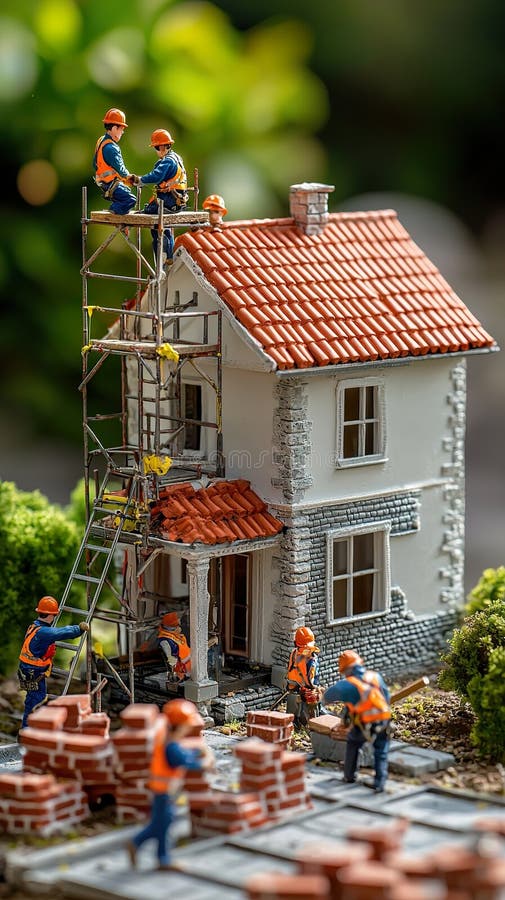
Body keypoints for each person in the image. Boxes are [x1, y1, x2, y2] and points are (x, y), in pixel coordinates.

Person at [127, 699, 214, 870]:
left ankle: (160, 857)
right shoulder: (171, 747)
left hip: (162, 790)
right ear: (180, 726)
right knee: (162, 824)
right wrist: (207, 759)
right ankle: (139, 844)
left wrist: (196, 751)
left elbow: (182, 754)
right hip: (164, 792)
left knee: (162, 823)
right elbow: (188, 763)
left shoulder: (166, 737)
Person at [324, 650, 391, 793]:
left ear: (345, 670)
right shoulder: (375, 677)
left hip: (365, 723)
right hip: (384, 719)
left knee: (353, 743)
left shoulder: (346, 685)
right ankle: (380, 783)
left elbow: (327, 697)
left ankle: (349, 776)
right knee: (381, 751)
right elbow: (386, 697)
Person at [18, 596, 89, 728]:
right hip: (33, 672)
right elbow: (62, 632)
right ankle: (28, 734)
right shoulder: (44, 632)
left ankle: (26, 732)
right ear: (51, 615)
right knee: (36, 703)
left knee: (32, 701)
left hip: (26, 670)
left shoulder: (34, 626)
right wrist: (79, 628)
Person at [133, 128, 188, 266]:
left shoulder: (167, 161)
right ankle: (168, 255)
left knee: (152, 219)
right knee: (165, 227)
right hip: (178, 202)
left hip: (168, 200)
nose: (156, 151)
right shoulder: (177, 158)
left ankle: (161, 259)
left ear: (163, 147)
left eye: (156, 147)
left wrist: (140, 180)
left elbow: (156, 175)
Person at [93, 108, 137, 215]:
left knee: (125, 193)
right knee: (131, 200)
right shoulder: (111, 148)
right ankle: (114, 211)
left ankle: (120, 216)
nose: (122, 132)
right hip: (110, 183)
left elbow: (94, 163)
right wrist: (131, 178)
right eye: (121, 129)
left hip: (102, 181)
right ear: (114, 128)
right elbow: (120, 169)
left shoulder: (101, 141)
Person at [285, 626, 323, 726]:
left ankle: (295, 721)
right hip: (305, 690)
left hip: (291, 686)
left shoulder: (294, 653)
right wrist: (317, 688)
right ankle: (312, 721)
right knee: (315, 695)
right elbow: (311, 679)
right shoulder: (311, 658)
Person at [157, 612, 191, 682]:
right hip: (183, 672)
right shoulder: (165, 640)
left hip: (189, 667)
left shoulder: (176, 636)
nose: (179, 627)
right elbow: (172, 661)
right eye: (177, 625)